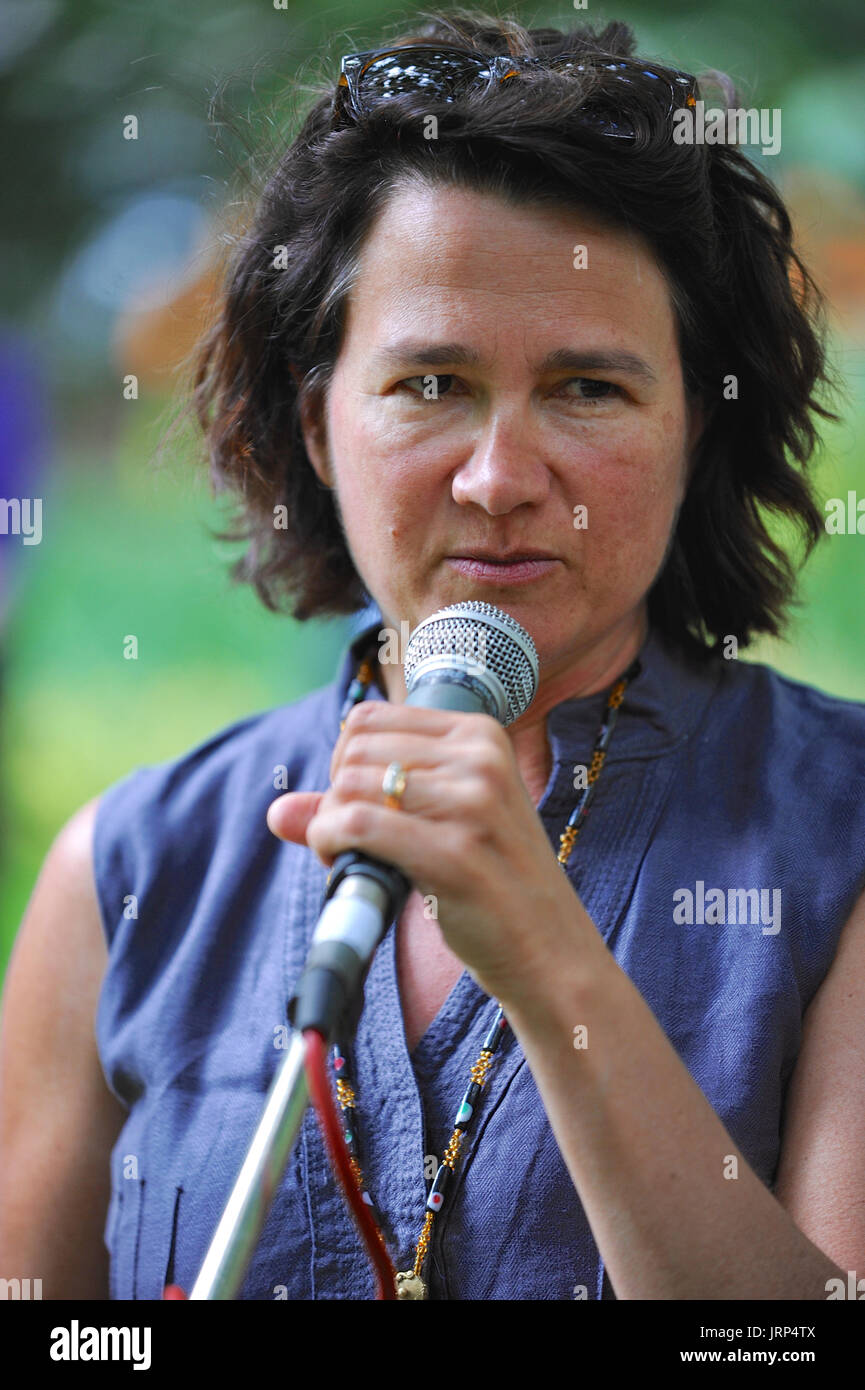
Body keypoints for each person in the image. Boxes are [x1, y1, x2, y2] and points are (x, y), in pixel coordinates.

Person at [2, 8, 864, 1302]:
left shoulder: (840, 837)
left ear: (696, 426)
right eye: (431, 384)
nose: (499, 477)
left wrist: (553, 966)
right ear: (316, 424)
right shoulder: (128, 872)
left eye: (588, 388)